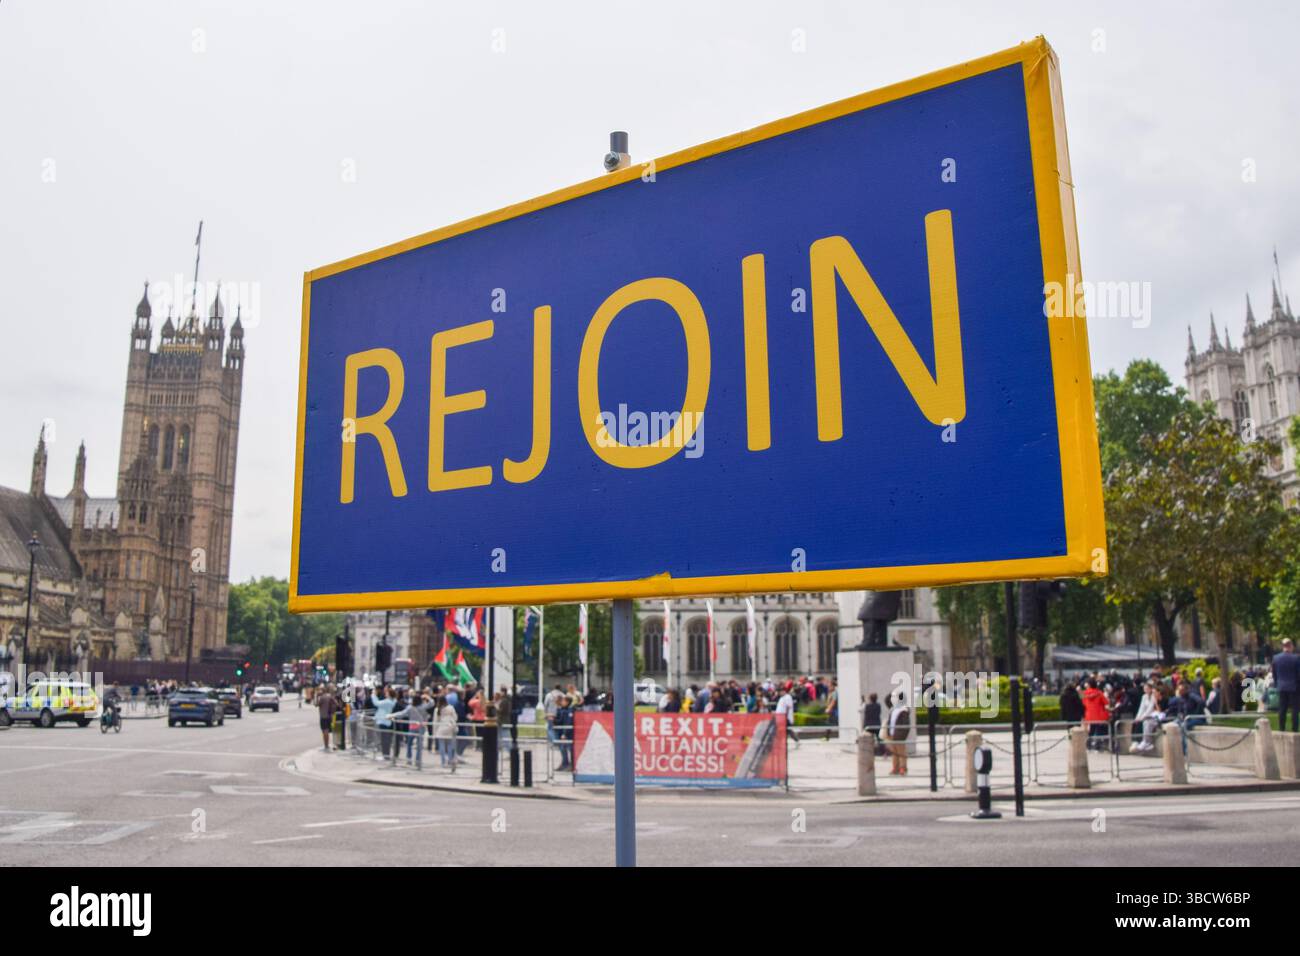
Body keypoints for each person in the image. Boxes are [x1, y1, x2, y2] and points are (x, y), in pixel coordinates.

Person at [1273, 639, 1299, 733]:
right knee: (1295, 710)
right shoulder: (1296, 658)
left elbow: (1274, 674)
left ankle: (1281, 728)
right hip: (1294, 687)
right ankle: (1294, 729)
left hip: (1281, 687)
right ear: (1290, 646)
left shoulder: (1276, 658)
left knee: (1282, 709)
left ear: (1283, 646)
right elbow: (1298, 674)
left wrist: (1277, 684)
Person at [433, 695, 459, 769]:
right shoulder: (450, 707)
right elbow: (455, 717)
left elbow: (435, 721)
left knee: (442, 745)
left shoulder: (437, 709)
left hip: (441, 727)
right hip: (449, 727)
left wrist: (434, 732)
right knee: (450, 745)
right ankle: (450, 760)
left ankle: (443, 761)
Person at [887, 694, 910, 775]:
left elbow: (906, 725)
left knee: (901, 753)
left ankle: (903, 768)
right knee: (894, 753)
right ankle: (895, 768)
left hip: (899, 736)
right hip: (892, 734)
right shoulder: (894, 709)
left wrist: (902, 735)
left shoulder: (904, 710)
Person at [554, 695, 575, 770]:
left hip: (568, 734)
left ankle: (572, 765)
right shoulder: (562, 709)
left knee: (570, 749)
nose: (562, 702)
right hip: (562, 732)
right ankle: (565, 763)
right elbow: (560, 721)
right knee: (563, 749)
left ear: (567, 702)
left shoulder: (570, 710)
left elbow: (568, 723)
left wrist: (564, 734)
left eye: (563, 700)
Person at [316, 684, 338, 752]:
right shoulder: (331, 696)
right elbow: (336, 704)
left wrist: (317, 696)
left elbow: (316, 704)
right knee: (328, 731)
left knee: (325, 731)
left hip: (323, 716)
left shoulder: (323, 697)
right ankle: (331, 745)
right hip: (330, 716)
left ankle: (326, 745)